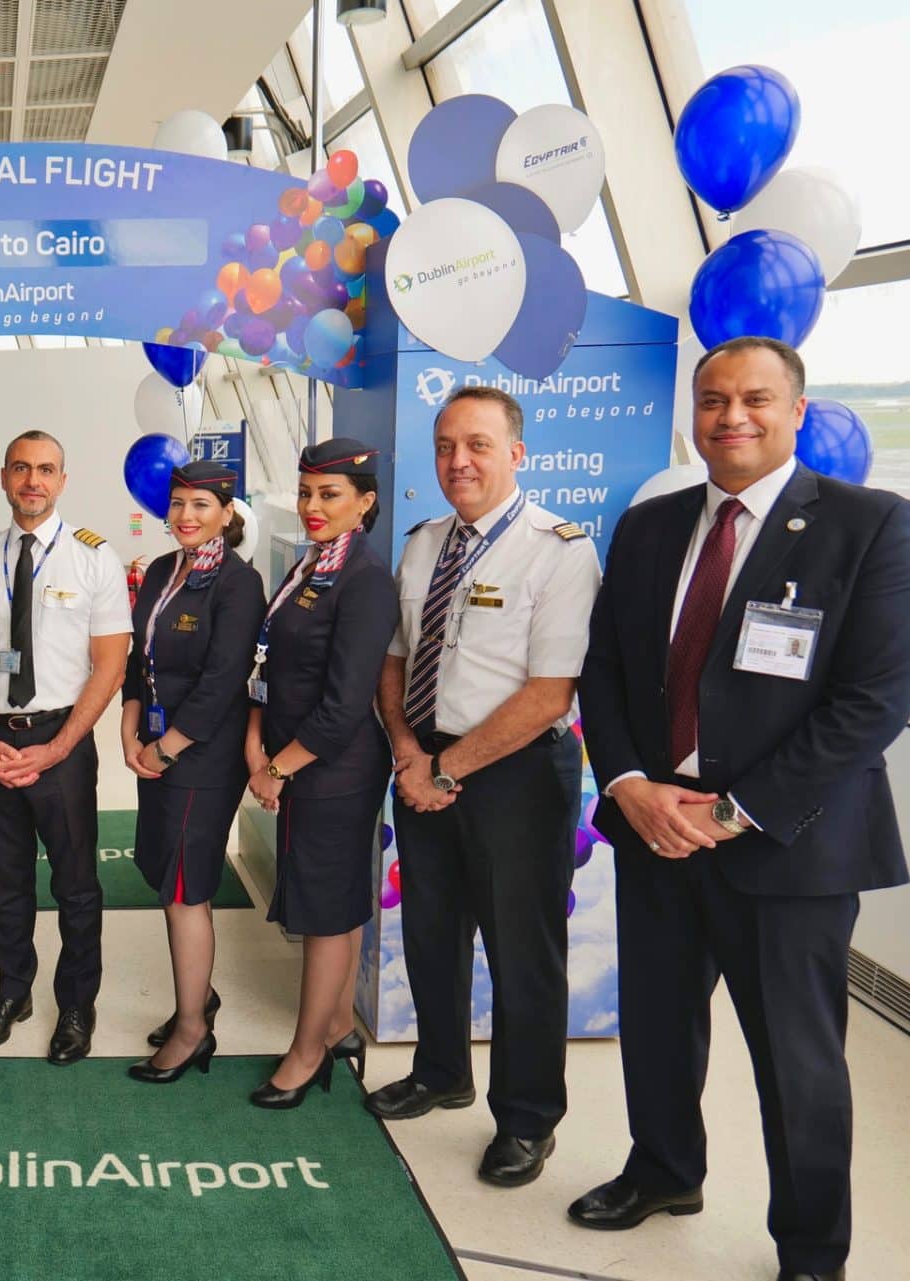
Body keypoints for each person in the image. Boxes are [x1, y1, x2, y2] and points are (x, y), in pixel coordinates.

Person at [570, 336, 910, 1281]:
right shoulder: (650, 525)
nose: (732, 417)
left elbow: (875, 700)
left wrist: (732, 812)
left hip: (788, 852)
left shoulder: (870, 525)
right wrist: (630, 784)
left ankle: (810, 1249)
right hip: (653, 833)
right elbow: (605, 668)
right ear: (693, 413)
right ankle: (665, 1169)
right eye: (713, 399)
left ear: (798, 409)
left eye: (756, 398)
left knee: (798, 1066)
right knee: (657, 1027)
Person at [368, 386, 601, 1188]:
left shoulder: (560, 550)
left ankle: (528, 1119)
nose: (457, 462)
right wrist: (406, 748)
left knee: (521, 952)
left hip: (516, 773)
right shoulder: (424, 541)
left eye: (476, 444)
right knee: (431, 931)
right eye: (443, 446)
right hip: (421, 760)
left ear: (516, 454)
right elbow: (395, 659)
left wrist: (445, 767)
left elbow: (550, 694)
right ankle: (441, 1071)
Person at [0, 430, 132, 1065]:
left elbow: (110, 666)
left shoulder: (94, 559)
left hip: (63, 744)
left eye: (46, 469)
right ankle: (13, 993)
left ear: (63, 479)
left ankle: (77, 1005)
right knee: (6, 881)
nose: (33, 480)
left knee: (77, 883)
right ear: (3, 477)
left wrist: (56, 749)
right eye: (22, 468)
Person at [243, 440, 398, 1108]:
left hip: (335, 768)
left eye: (329, 494)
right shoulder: (311, 564)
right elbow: (271, 663)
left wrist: (276, 766)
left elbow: (343, 706)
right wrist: (257, 743)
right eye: (306, 492)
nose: (311, 506)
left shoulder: (364, 580)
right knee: (328, 897)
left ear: (364, 502)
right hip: (296, 759)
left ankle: (307, 1052)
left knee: (328, 911)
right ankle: (335, 1025)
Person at [120, 460, 265, 1084]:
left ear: (228, 515)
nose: (186, 516)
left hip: (201, 756)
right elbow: (138, 657)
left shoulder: (239, 583)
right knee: (163, 872)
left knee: (185, 888)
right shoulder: (160, 571)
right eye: (178, 503)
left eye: (202, 505)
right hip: (155, 743)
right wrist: (129, 727)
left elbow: (222, 682)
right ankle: (196, 995)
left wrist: (167, 748)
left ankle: (191, 1031)